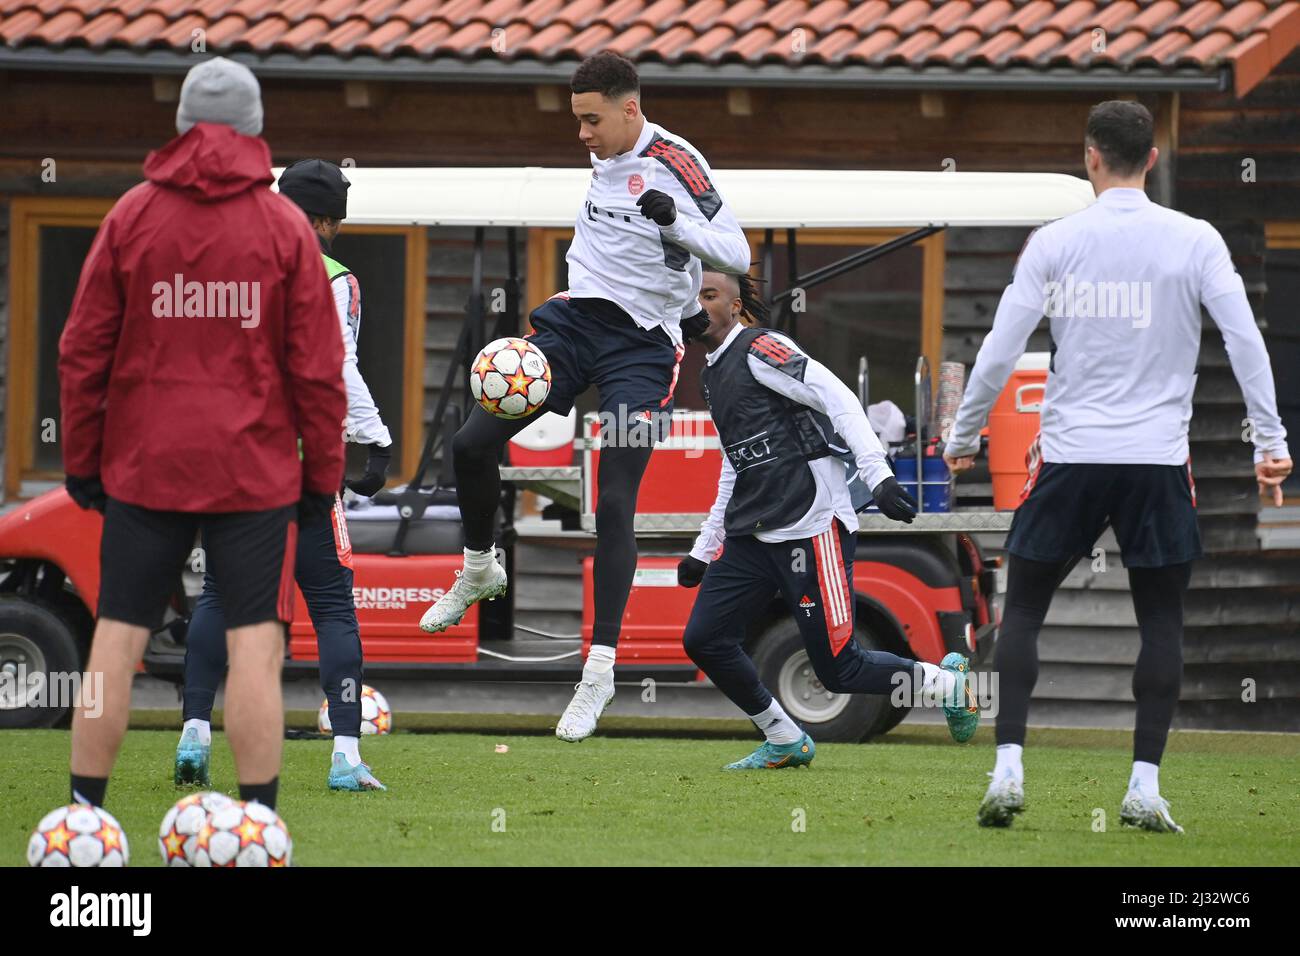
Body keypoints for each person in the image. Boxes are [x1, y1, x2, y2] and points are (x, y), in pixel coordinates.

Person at [943, 100, 1293, 832]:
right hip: (1157, 462)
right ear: (1154, 159)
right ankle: (1143, 785)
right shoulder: (1195, 239)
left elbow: (1002, 348)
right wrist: (1270, 443)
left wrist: (964, 434)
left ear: (1090, 157)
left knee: (1026, 608)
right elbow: (1245, 340)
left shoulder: (1054, 241)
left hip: (1070, 455)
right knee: (1161, 621)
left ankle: (1007, 765)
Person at [419, 51, 751, 744]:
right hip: (572, 325)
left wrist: (677, 226)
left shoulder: (679, 162)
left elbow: (737, 254)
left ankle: (597, 673)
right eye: (576, 120)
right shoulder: (601, 156)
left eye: (591, 120)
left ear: (630, 109)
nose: (582, 134)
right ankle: (480, 569)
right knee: (469, 444)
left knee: (614, 501)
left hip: (642, 350)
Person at [58, 57, 347, 813]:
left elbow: (82, 348)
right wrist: (321, 479)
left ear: (183, 124)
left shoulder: (131, 215)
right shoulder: (286, 227)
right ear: (256, 130)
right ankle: (259, 824)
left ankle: (83, 820)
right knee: (256, 642)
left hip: (146, 467)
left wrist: (83, 462)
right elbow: (319, 371)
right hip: (253, 472)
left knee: (115, 640)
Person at [678, 270, 979, 769]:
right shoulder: (712, 372)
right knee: (704, 640)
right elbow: (737, 460)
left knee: (840, 670)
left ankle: (948, 684)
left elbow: (836, 396)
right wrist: (704, 546)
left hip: (812, 526)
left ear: (735, 307)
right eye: (692, 296)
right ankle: (783, 737)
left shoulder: (761, 346)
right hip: (754, 534)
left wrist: (877, 473)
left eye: (710, 295)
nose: (699, 304)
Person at [175, 159, 393, 793]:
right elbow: (338, 367)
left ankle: (193, 731)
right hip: (301, 467)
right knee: (330, 607)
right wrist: (375, 440)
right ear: (326, 221)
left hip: (231, 459)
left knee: (218, 594)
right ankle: (347, 757)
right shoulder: (334, 277)